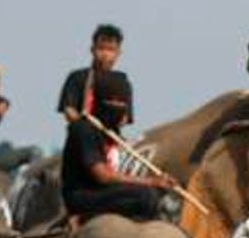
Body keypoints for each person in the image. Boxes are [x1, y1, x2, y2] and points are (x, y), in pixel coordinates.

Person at [57, 25, 172, 220]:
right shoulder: (83, 120)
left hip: (110, 146)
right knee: (145, 196)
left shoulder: (121, 83)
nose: (105, 55)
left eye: (111, 50)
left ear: (119, 53)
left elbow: (124, 119)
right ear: (93, 49)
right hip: (85, 189)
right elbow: (68, 109)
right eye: (101, 49)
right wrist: (150, 182)